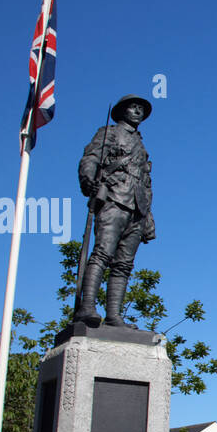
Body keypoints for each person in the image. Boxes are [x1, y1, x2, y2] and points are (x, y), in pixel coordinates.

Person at [76, 94, 156, 327]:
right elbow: (90, 158)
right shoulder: (108, 133)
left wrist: (148, 217)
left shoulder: (141, 144)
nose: (138, 111)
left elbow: (146, 182)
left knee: (124, 264)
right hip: (114, 198)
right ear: (122, 111)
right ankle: (88, 307)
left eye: (141, 108)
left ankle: (114, 316)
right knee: (102, 253)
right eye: (133, 107)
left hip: (137, 207)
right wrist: (88, 179)